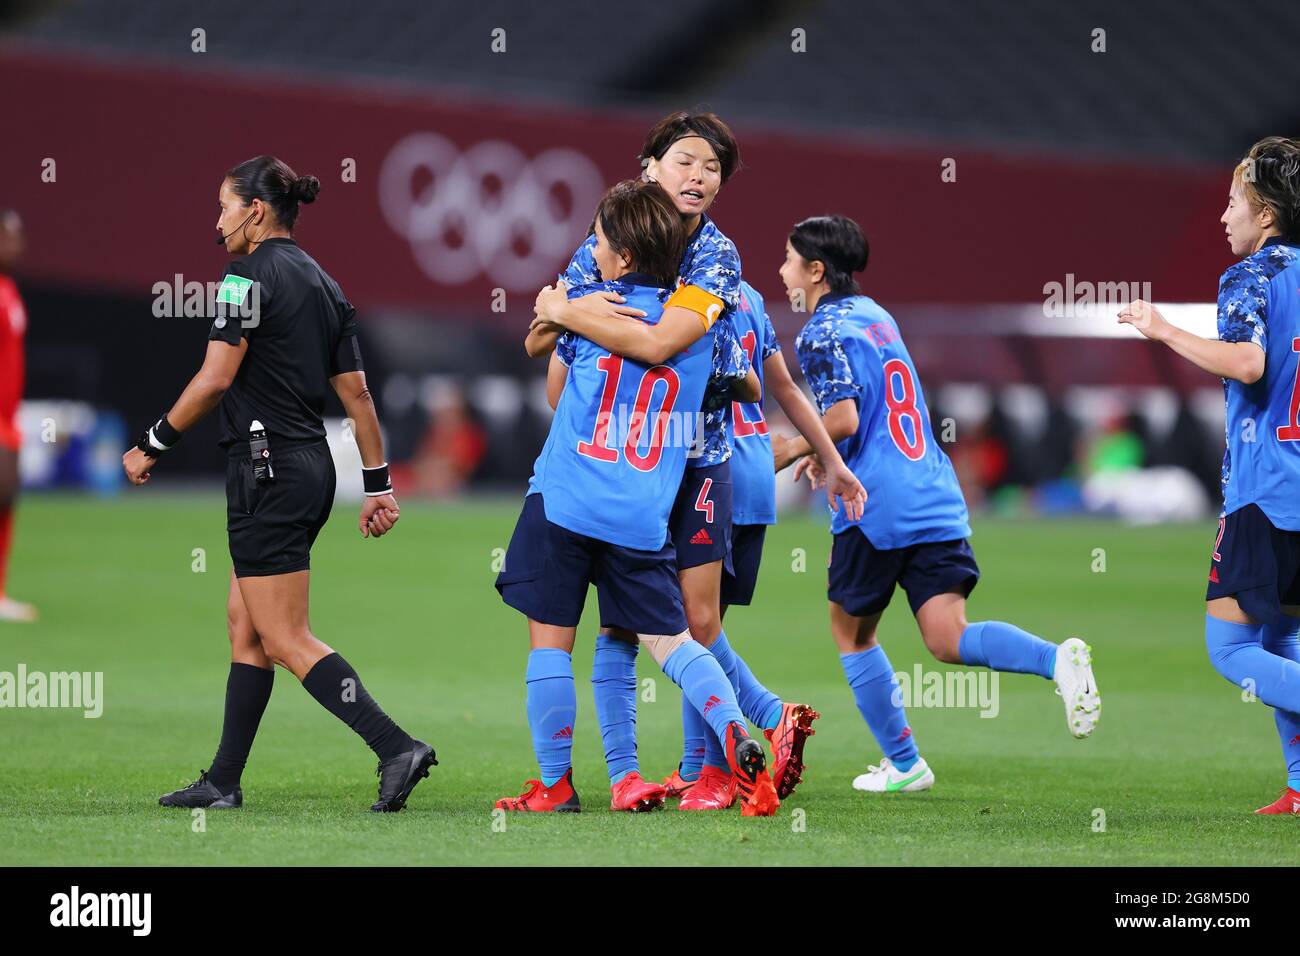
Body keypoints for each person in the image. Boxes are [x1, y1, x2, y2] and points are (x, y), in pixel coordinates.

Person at [529, 112, 865, 810]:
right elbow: (539, 339)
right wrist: (574, 314)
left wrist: (578, 309)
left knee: (695, 623)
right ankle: (650, 770)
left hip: (698, 460)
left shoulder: (718, 258)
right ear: (649, 164)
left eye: (712, 168)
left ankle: (719, 761)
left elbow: (701, 359)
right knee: (627, 625)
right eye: (685, 161)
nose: (699, 177)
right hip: (627, 468)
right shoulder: (616, 229)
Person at [122, 155, 435, 812]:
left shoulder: (241, 279)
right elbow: (360, 399)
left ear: (255, 211)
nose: (218, 224)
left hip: (265, 471)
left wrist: (153, 443)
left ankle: (395, 747)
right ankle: (223, 781)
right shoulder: (325, 284)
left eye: (224, 207)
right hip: (309, 466)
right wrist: (377, 485)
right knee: (247, 625)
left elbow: (213, 380)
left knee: (286, 635)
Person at [784, 214, 1100, 794]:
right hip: (932, 489)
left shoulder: (820, 330)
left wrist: (792, 446)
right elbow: (872, 413)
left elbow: (845, 416)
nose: (782, 272)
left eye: (788, 260)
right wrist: (829, 453)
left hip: (875, 502)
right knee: (947, 636)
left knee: (851, 632)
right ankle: (1055, 659)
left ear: (816, 270)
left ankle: (905, 764)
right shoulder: (878, 317)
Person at [497, 179, 780, 816]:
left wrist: (559, 305)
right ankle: (734, 726)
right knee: (674, 643)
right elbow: (746, 384)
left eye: (598, 239)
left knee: (551, 646)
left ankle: (554, 786)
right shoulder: (698, 329)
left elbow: (542, 356)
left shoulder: (590, 306)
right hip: (643, 514)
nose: (590, 248)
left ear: (624, 254)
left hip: (565, 499)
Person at [1119, 136, 1300, 814]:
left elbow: (1248, 364)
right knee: (1282, 636)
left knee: (1230, 649)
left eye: (1232, 203)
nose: (1224, 217)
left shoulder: (1250, 277)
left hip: (1266, 491)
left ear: (1265, 211)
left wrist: (1163, 330)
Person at [0, 209, 36, 622]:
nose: (19, 246)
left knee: (5, 502)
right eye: (10, 237)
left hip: (9, 422)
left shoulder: (9, 289)